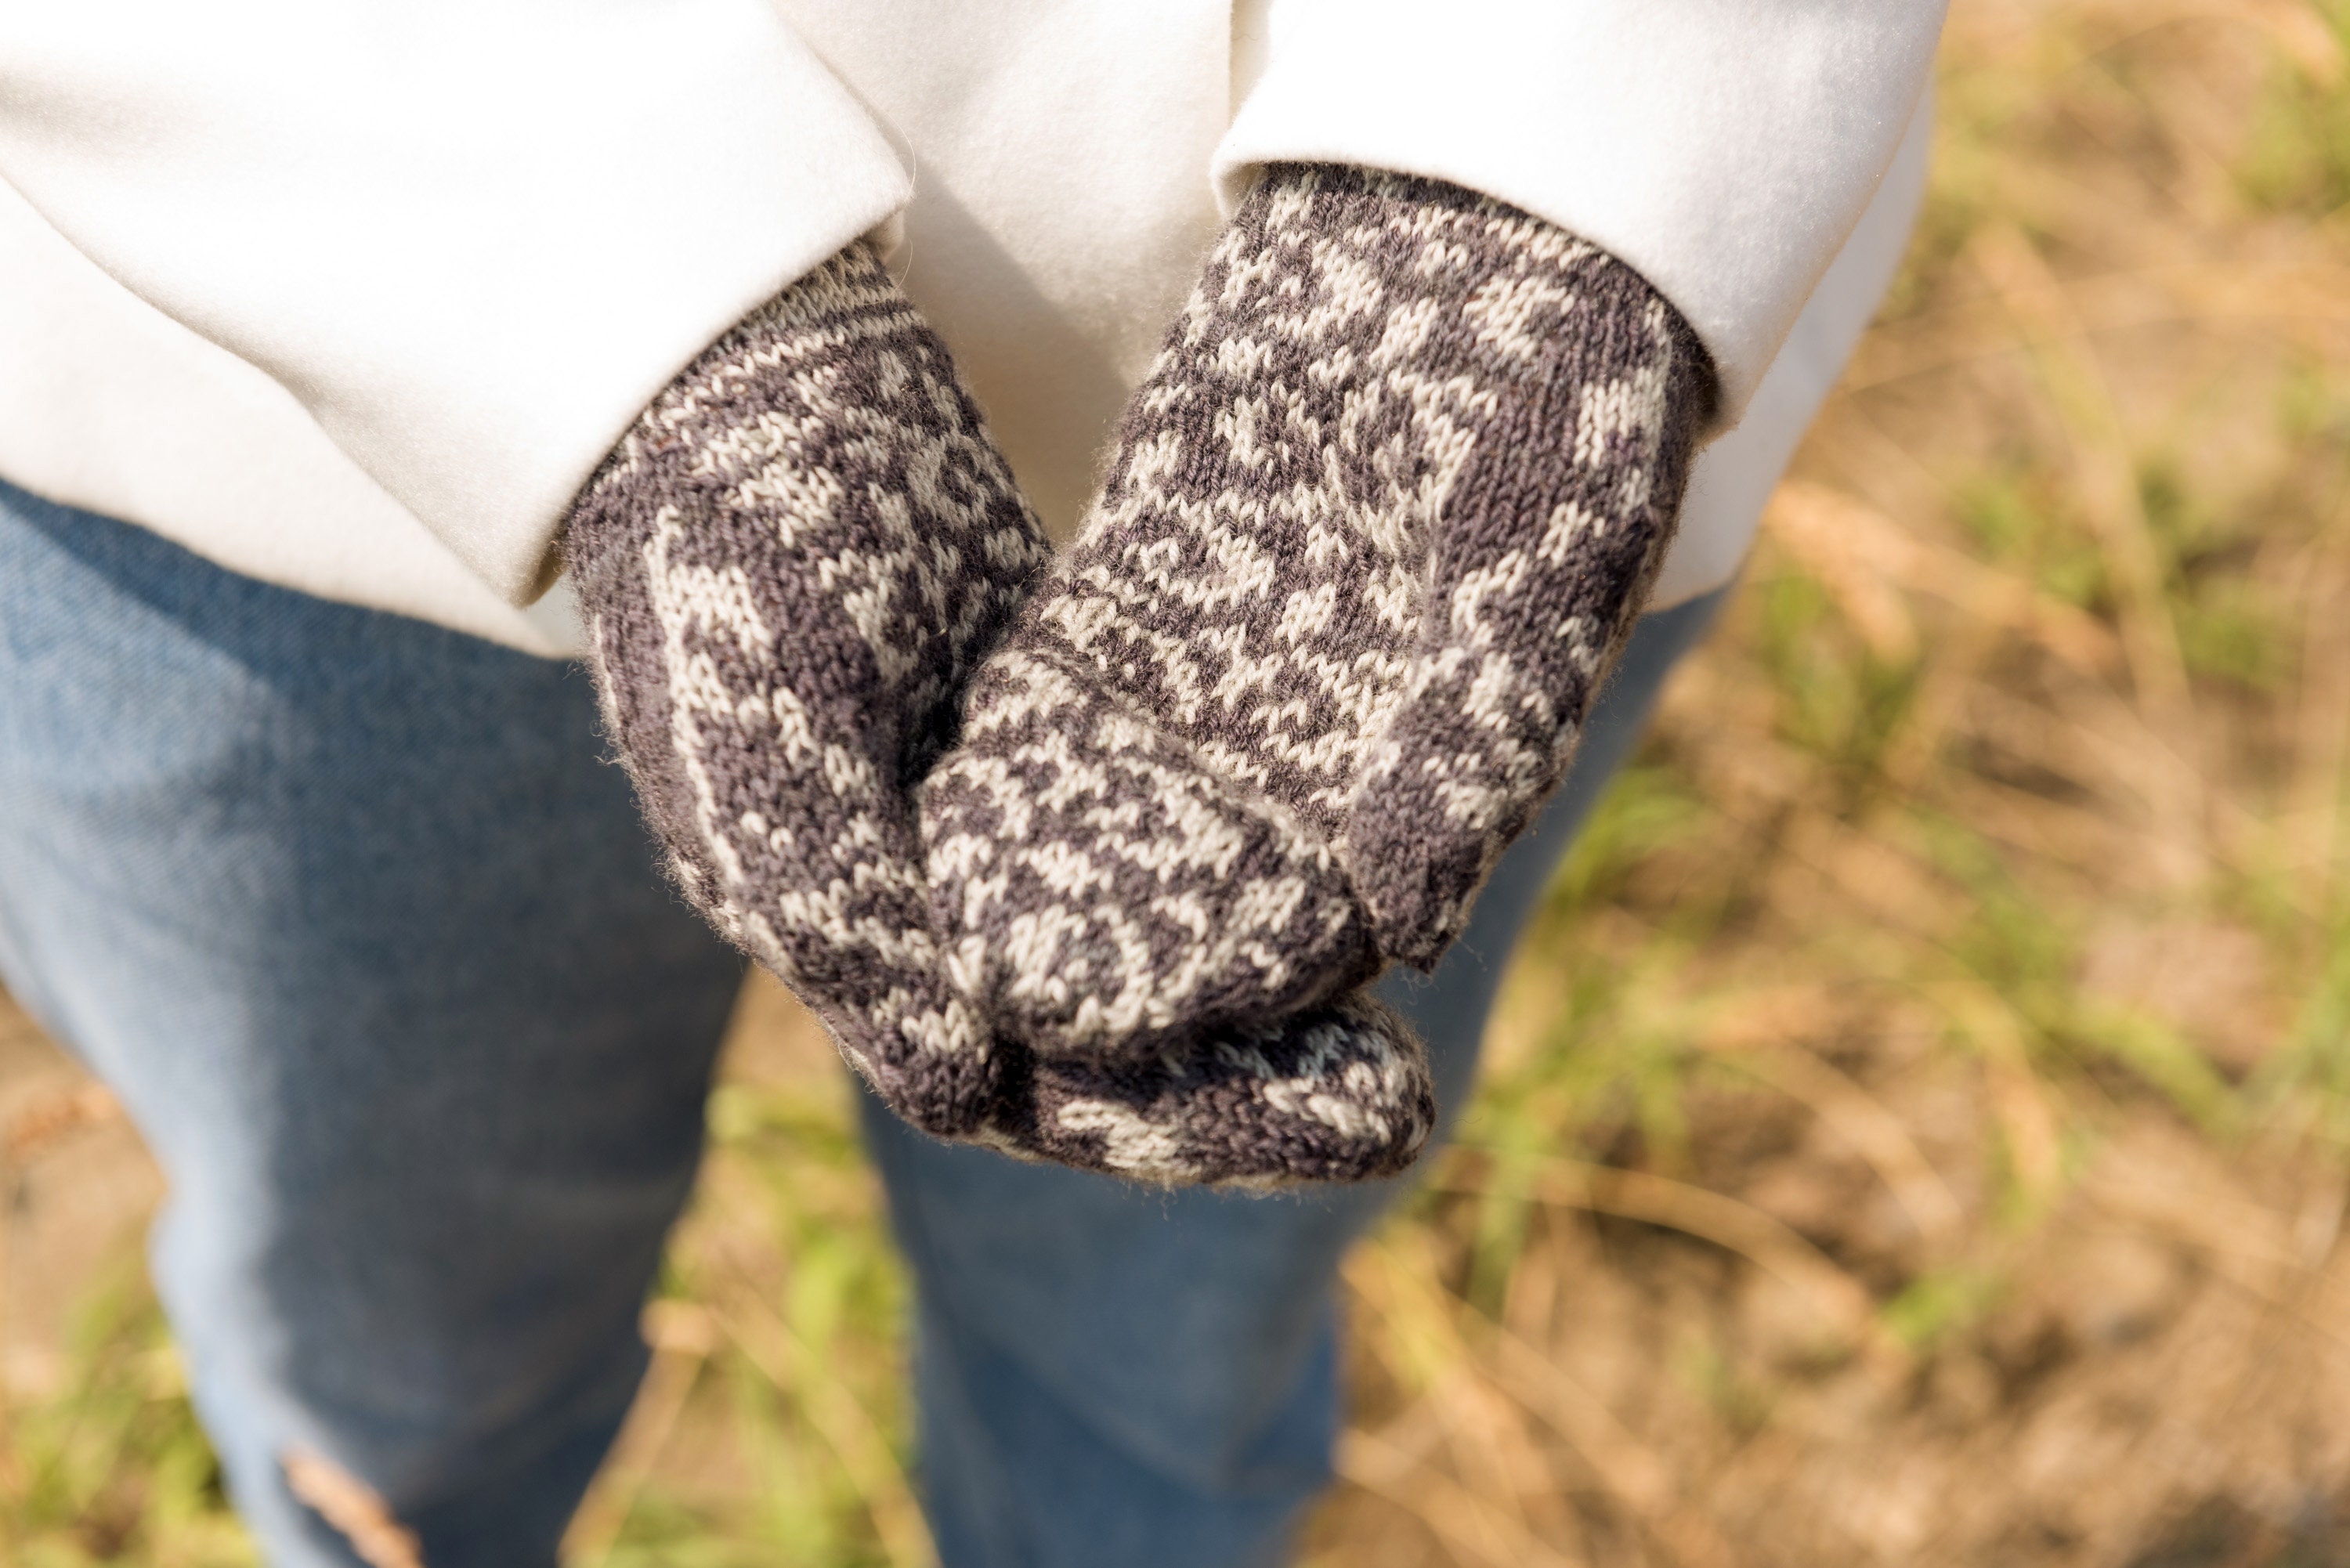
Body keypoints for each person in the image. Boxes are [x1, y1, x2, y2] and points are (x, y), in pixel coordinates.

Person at [0, 3, 1943, 1563]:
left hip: (1489, 434)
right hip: (264, 422)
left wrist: (1539, 137)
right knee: (403, 1355)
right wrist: (611, 279)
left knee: (1158, 1374)